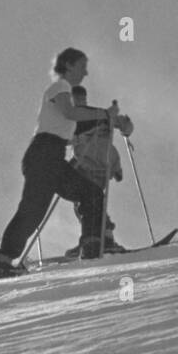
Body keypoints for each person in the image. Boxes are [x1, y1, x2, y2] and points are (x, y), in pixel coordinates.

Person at [0, 48, 133, 279]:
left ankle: (92, 243)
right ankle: (3, 261)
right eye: (82, 66)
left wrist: (113, 121)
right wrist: (106, 114)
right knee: (33, 208)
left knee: (91, 193)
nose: (85, 72)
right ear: (68, 65)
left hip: (52, 156)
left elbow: (81, 121)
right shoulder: (59, 87)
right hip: (43, 153)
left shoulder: (65, 95)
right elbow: (71, 113)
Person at [65, 87, 127, 255]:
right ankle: (98, 237)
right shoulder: (94, 115)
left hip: (92, 163)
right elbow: (122, 123)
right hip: (99, 163)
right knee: (91, 200)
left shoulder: (82, 116)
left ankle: (99, 239)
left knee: (87, 200)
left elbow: (120, 122)